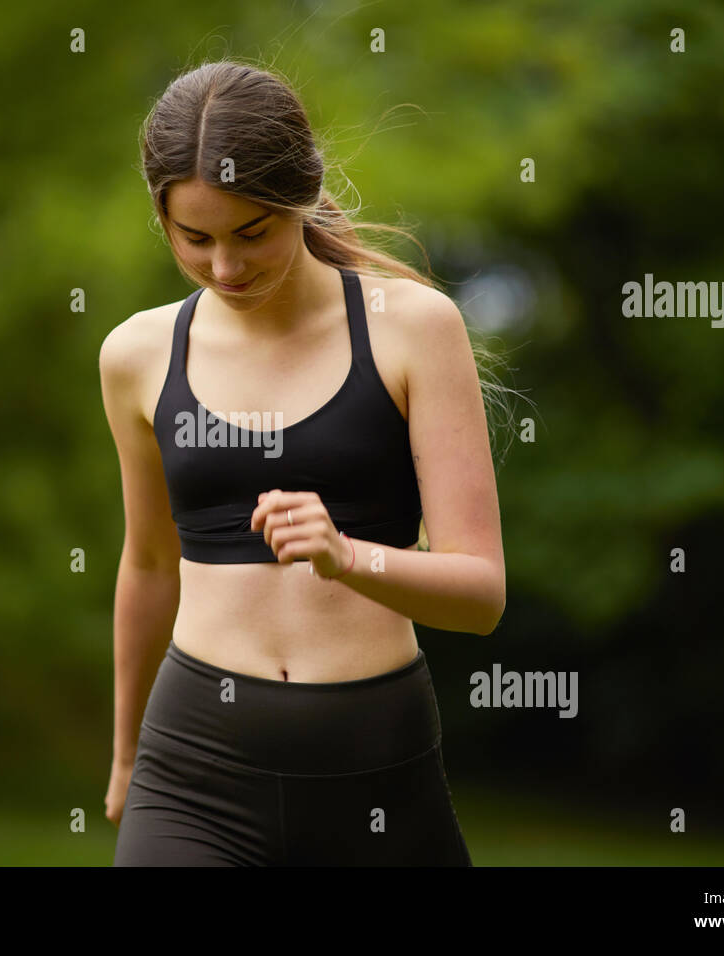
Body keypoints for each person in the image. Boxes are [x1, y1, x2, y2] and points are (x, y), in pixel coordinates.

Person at [99, 59, 508, 866]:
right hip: (191, 775)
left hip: (376, 777)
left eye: (252, 233)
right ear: (164, 218)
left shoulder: (414, 330)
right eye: (196, 238)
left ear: (302, 198)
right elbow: (149, 563)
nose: (225, 268)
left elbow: (482, 595)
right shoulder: (137, 355)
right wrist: (124, 756)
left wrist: (347, 556)